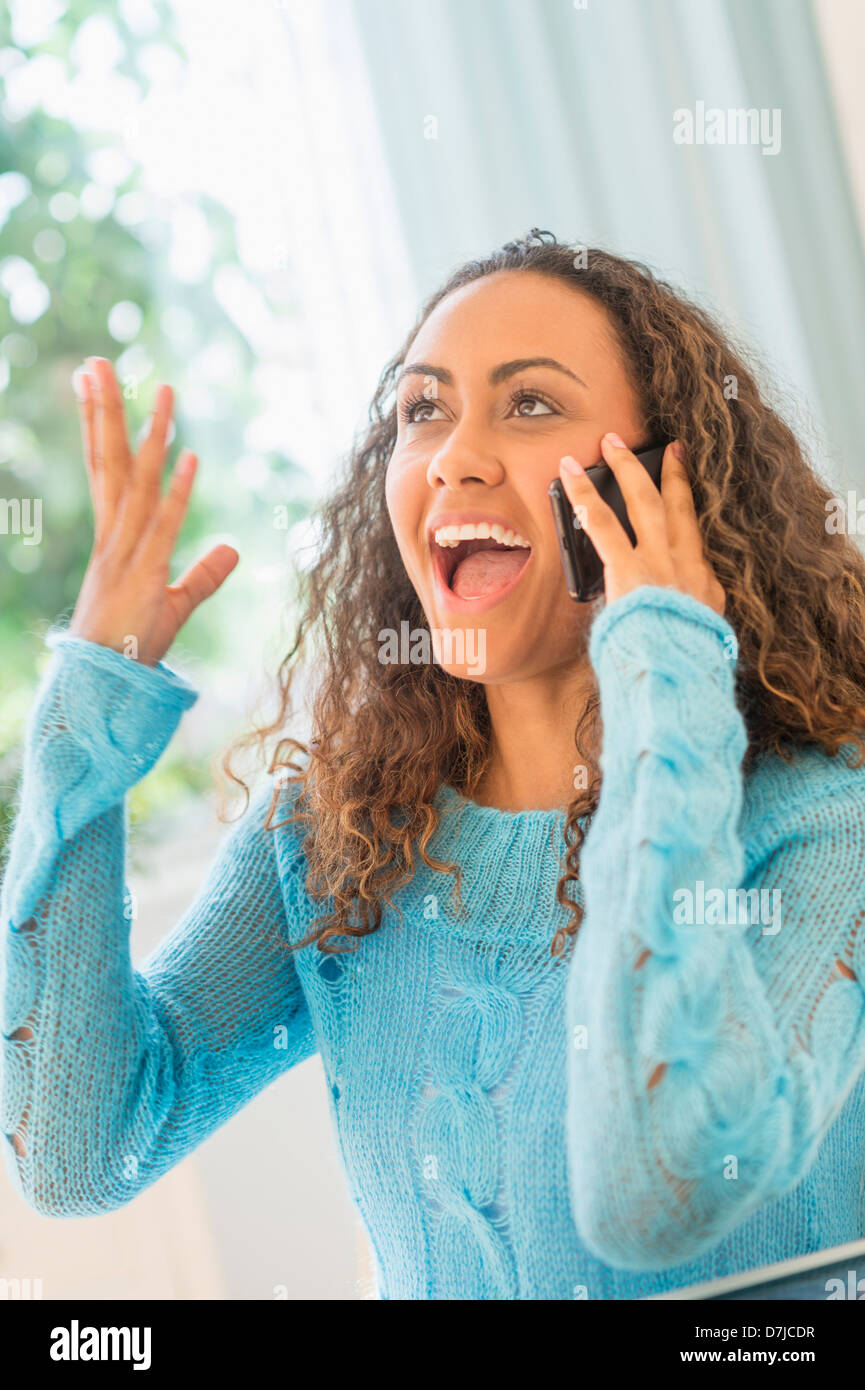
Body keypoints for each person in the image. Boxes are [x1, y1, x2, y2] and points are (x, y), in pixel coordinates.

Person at [3, 229, 865, 1301]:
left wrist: (665, 658)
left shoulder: (825, 829)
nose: (455, 454)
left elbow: (657, 1186)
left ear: (664, 487)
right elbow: (78, 1149)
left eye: (531, 403)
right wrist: (92, 707)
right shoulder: (335, 841)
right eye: (422, 410)